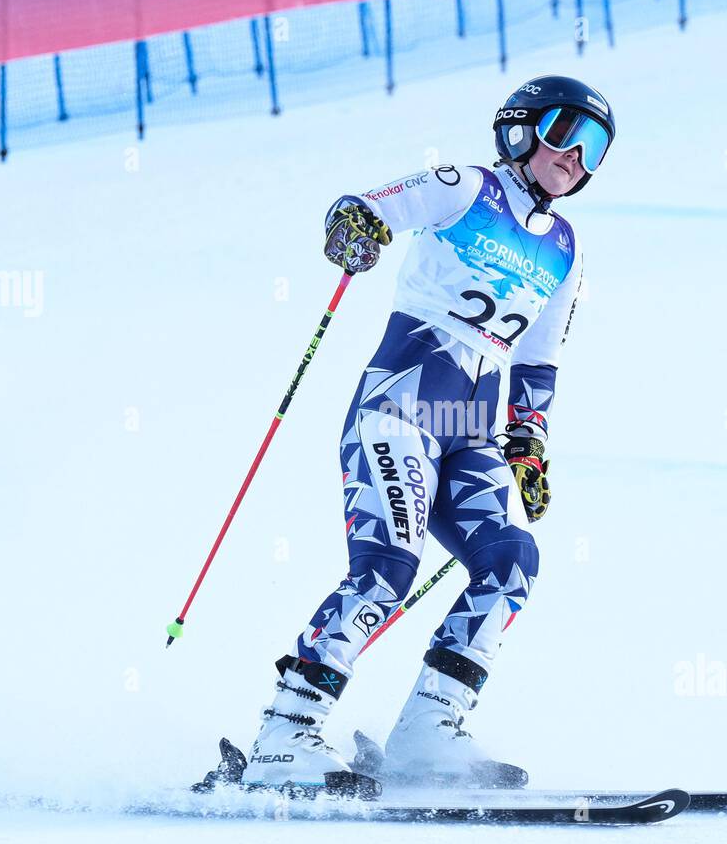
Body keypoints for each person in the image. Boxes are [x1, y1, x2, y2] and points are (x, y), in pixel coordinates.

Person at [242, 75, 615, 790]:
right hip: (399, 410)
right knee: (387, 569)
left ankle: (427, 732)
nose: (578, 157)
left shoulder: (564, 249)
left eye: (596, 148)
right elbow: (374, 206)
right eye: (568, 133)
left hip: (468, 432)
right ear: (522, 127)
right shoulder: (466, 187)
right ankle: (284, 735)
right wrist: (356, 225)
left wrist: (528, 443)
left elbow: (539, 358)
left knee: (511, 561)